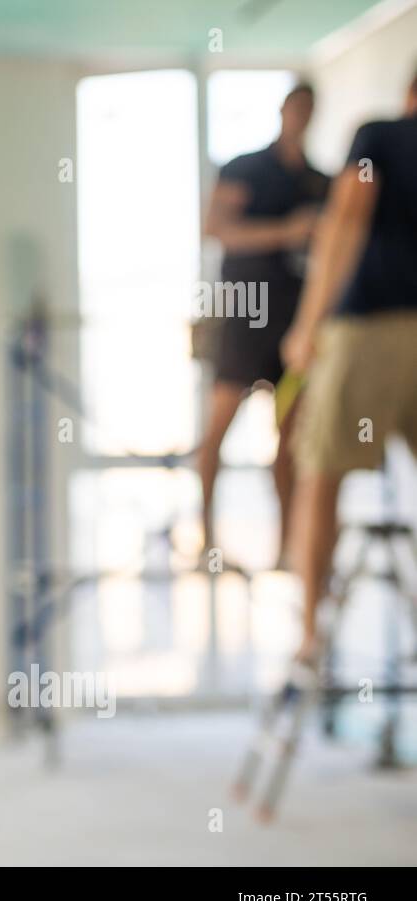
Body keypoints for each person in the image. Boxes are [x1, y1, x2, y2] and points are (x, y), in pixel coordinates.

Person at [281, 72, 417, 667]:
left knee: (321, 475)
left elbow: (347, 219)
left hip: (369, 329)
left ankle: (310, 633)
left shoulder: (379, 137)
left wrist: (308, 323)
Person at [198, 84, 330, 569]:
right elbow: (215, 229)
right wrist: (285, 231)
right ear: (283, 110)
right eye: (296, 108)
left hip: (295, 323)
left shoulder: (320, 180)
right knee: (217, 431)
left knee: (290, 442)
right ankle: (206, 539)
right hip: (243, 313)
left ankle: (287, 550)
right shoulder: (244, 167)